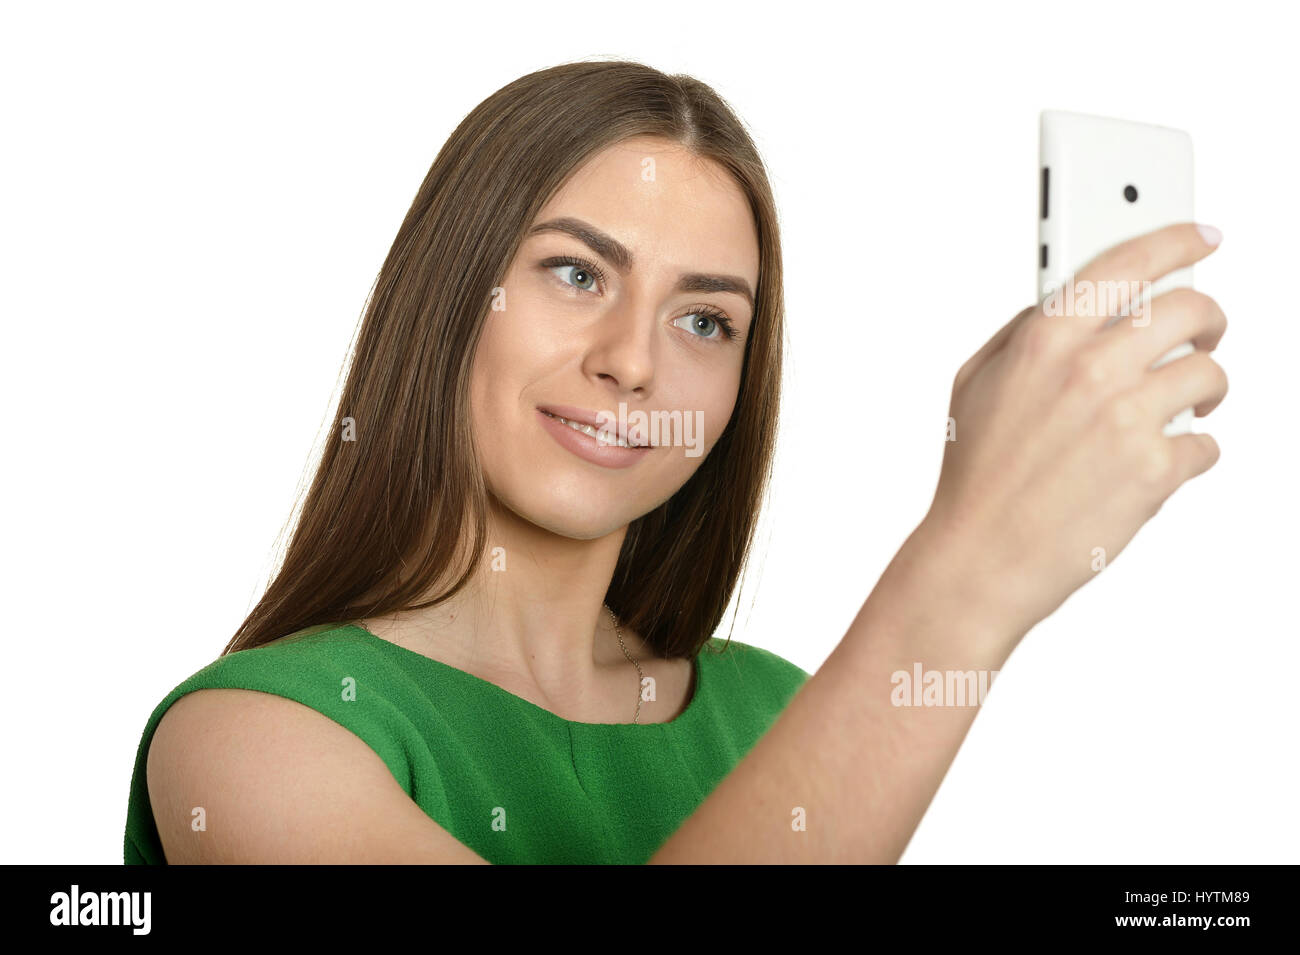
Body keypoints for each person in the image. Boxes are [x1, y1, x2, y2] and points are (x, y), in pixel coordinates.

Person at [123, 58, 1228, 864]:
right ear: (450, 293)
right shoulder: (249, 742)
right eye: (575, 274)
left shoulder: (777, 715)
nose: (631, 364)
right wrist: (965, 579)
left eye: (704, 321)